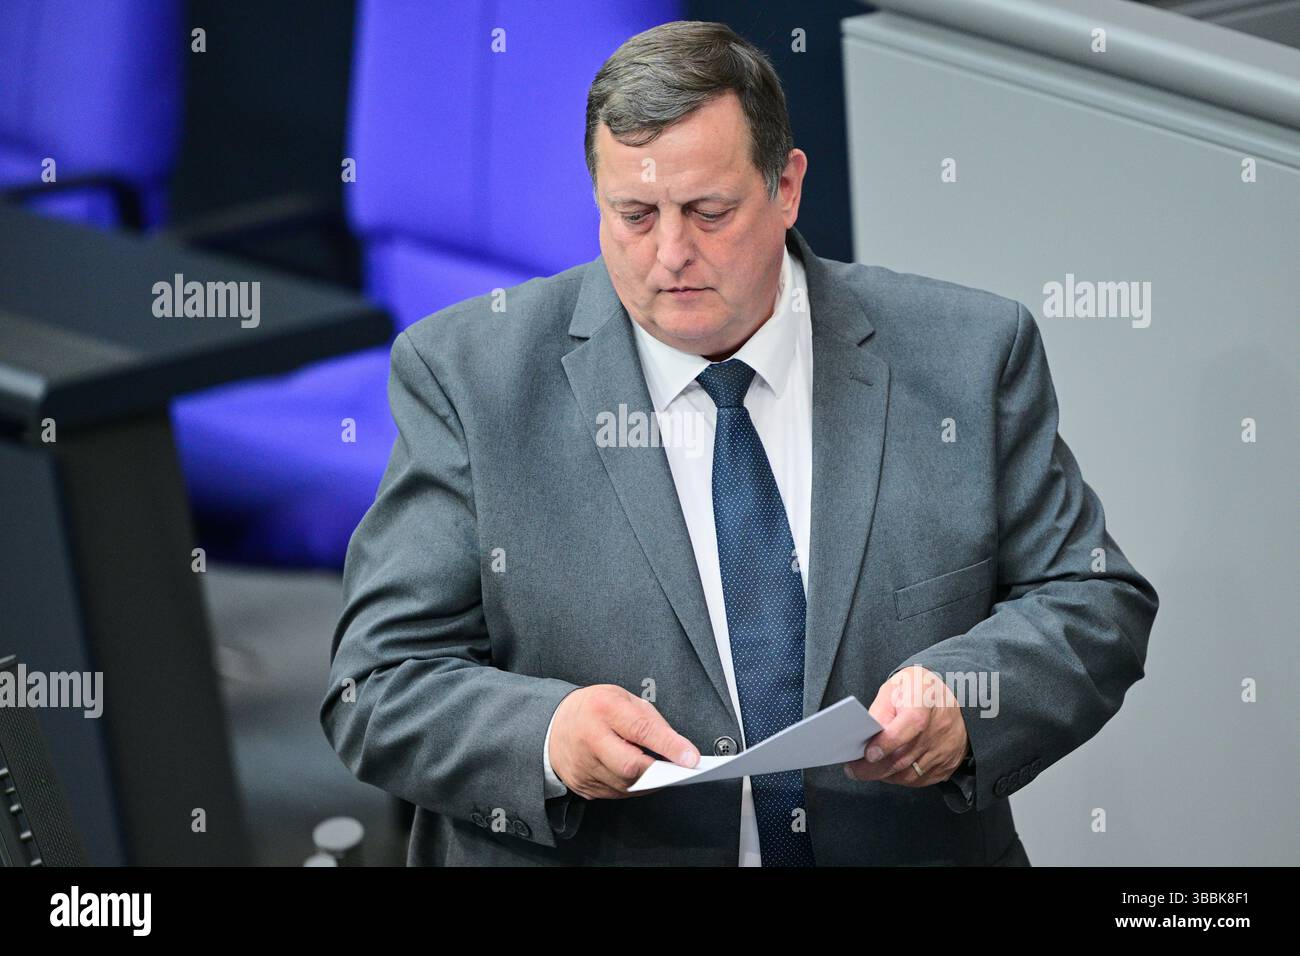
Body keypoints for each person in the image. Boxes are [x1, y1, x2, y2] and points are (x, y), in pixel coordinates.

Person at [321, 20, 1158, 866]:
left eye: (709, 211)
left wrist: (968, 702)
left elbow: (1093, 603)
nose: (671, 255)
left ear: (786, 187)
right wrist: (548, 737)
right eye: (634, 215)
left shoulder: (966, 353)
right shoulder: (471, 378)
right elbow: (378, 684)